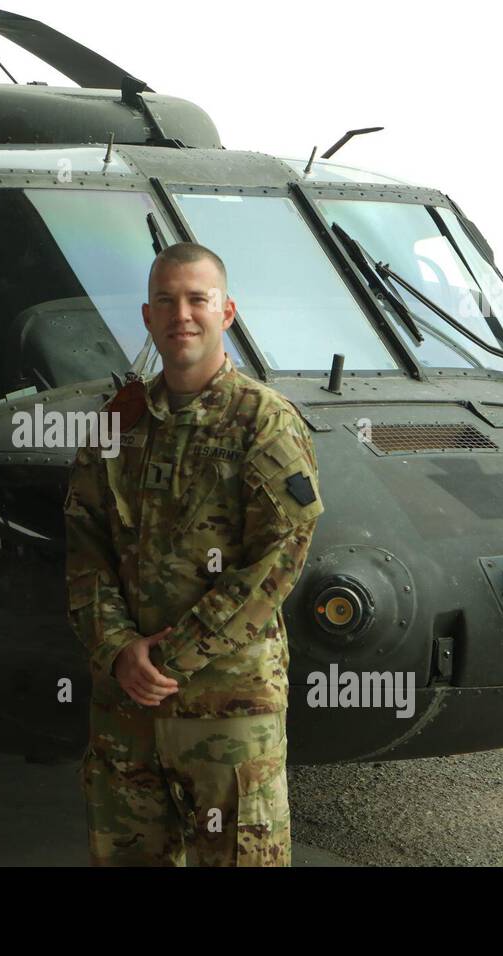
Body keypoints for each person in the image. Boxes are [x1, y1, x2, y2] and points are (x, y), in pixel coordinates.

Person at [65, 241, 323, 866]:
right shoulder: (116, 426)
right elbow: (83, 545)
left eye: (197, 299)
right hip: (127, 711)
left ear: (226, 311)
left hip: (226, 711)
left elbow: (276, 560)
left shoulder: (264, 423)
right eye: (167, 301)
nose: (182, 314)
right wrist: (119, 650)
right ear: (148, 317)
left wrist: (168, 657)